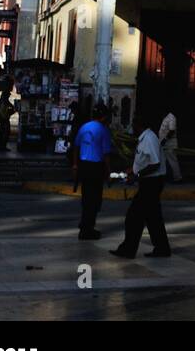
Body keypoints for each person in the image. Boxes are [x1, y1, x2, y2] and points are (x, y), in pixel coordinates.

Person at [110, 113, 171, 259]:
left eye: (133, 124)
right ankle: (162, 248)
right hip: (149, 182)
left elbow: (154, 164)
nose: (132, 128)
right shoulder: (144, 139)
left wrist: (137, 175)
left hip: (152, 183)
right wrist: (125, 174)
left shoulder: (149, 139)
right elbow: (142, 162)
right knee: (153, 218)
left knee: (133, 217)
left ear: (139, 124)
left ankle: (128, 249)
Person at [73, 104, 112, 240]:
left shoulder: (84, 127)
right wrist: (108, 172)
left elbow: (76, 146)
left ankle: (85, 225)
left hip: (84, 167)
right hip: (96, 167)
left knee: (86, 197)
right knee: (94, 199)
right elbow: (106, 154)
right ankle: (87, 228)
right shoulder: (104, 130)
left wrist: (75, 164)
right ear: (105, 116)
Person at [159, 108, 182, 184]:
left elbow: (172, 130)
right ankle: (165, 176)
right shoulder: (165, 118)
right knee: (163, 161)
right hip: (165, 145)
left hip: (170, 144)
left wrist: (164, 139)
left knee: (173, 161)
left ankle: (178, 178)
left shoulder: (171, 117)